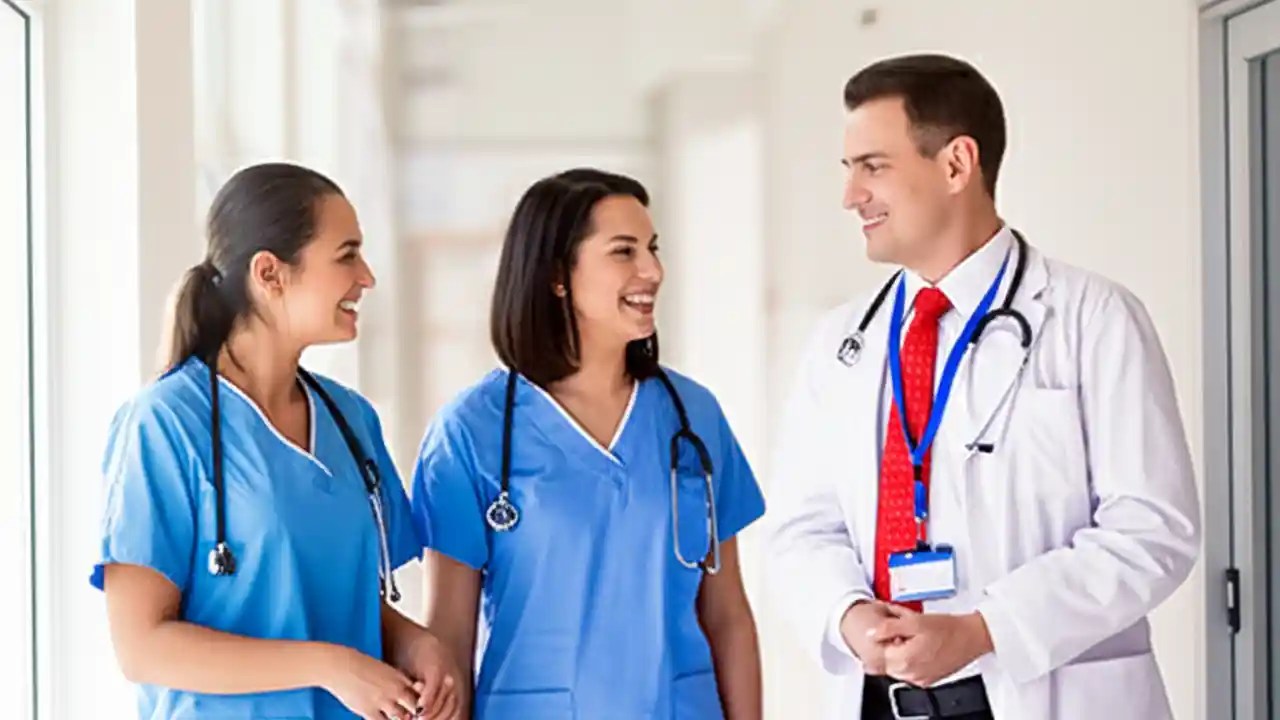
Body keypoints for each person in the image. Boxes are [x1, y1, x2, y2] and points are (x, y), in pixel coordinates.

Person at [766, 54, 1200, 720]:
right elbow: (804, 526)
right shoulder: (842, 342)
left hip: (1043, 694)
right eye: (848, 170)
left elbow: (1152, 528)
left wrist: (984, 629)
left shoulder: (1093, 317)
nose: (850, 196)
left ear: (956, 165)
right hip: (881, 701)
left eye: (873, 167)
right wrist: (848, 614)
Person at [93, 162, 461, 720]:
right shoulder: (165, 424)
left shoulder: (350, 420)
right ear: (270, 273)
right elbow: (142, 647)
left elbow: (347, 601)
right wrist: (328, 666)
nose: (366, 276)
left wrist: (418, 644)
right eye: (346, 255)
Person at [409, 168, 766, 719]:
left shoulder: (692, 417)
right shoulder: (472, 432)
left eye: (652, 248)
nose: (653, 270)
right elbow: (448, 637)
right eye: (623, 252)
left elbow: (727, 615)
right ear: (557, 276)